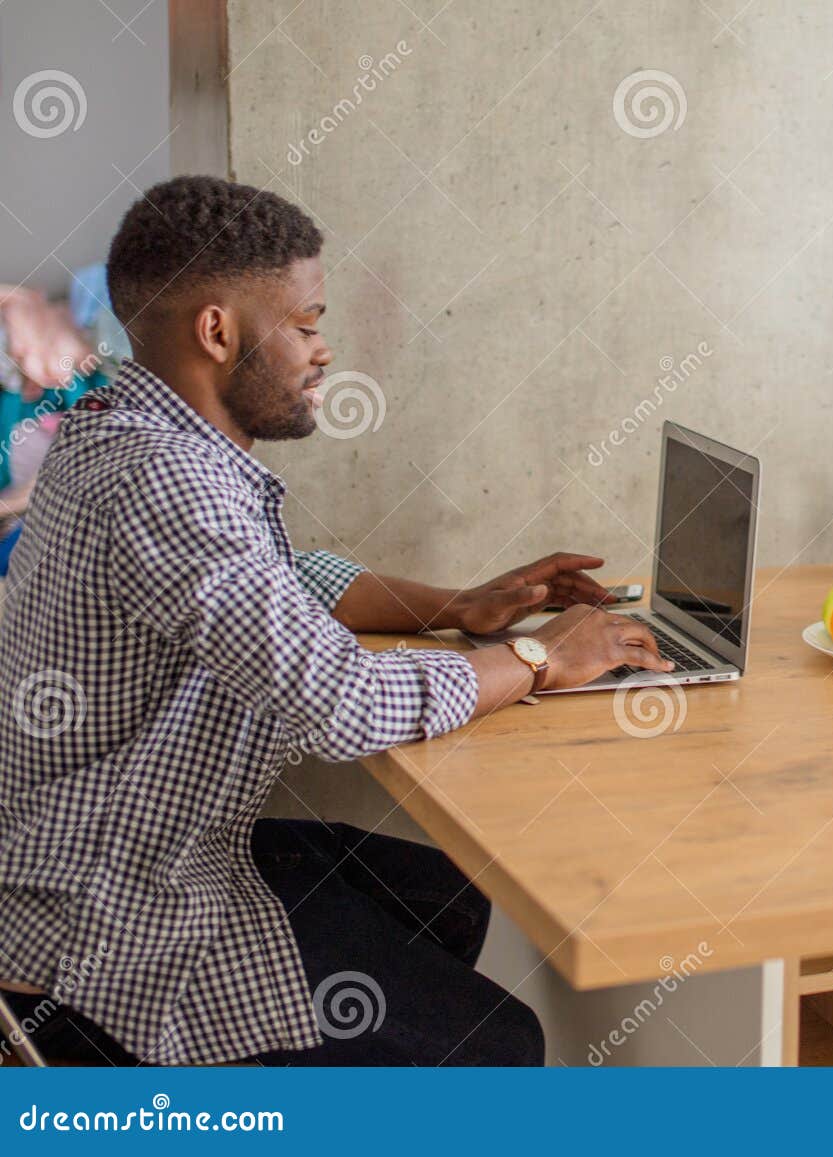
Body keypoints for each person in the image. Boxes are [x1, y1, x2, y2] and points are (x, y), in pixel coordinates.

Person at [0, 175, 675, 1066]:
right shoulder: (167, 481)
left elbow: (272, 583)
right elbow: (342, 702)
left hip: (109, 846)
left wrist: (453, 606)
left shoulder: (122, 422)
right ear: (218, 331)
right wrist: (538, 659)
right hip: (102, 909)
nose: (325, 351)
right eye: (309, 323)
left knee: (449, 900)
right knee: (503, 1044)